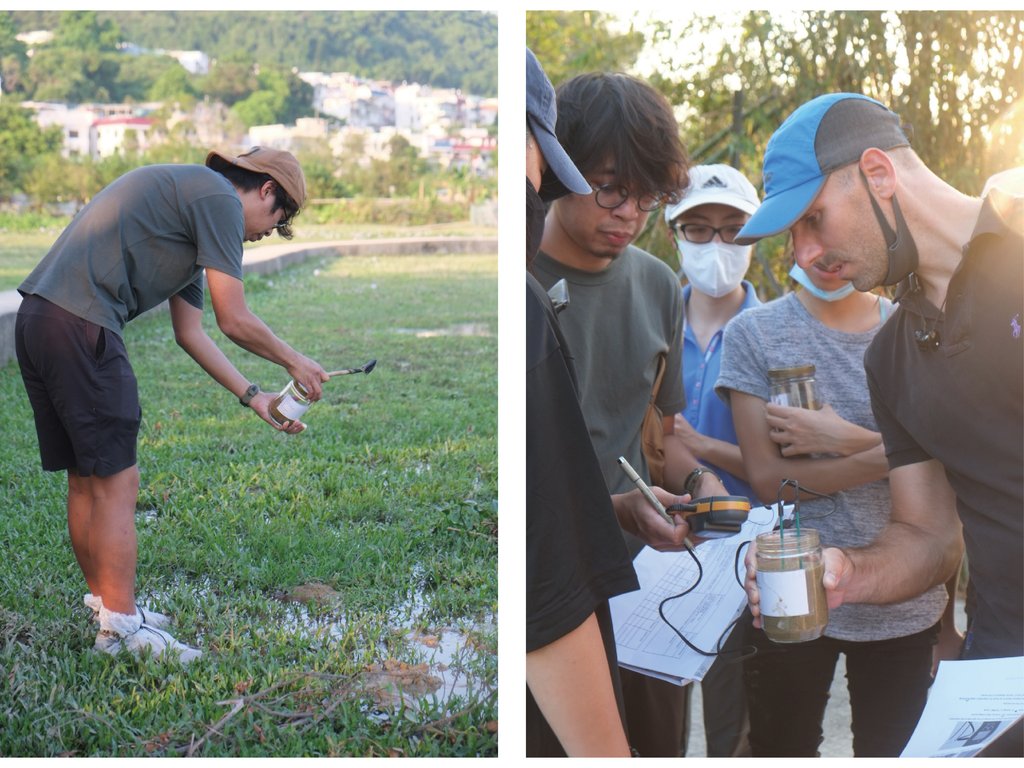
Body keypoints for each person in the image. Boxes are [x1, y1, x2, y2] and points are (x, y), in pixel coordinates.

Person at [733, 92, 1022, 754]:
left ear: (879, 174)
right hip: (1000, 672)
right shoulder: (891, 357)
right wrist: (847, 573)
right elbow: (928, 534)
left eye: (814, 221)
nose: (804, 255)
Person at [15, 146, 328, 663]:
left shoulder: (187, 209)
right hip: (83, 322)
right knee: (118, 480)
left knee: (87, 476)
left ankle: (108, 606)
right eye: (271, 225)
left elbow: (192, 333)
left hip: (41, 319)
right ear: (267, 190)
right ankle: (122, 629)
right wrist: (296, 362)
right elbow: (235, 317)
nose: (257, 237)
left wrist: (254, 397)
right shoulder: (219, 201)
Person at [531, 70, 729, 757]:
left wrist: (705, 492)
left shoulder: (655, 284)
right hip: (553, 585)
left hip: (646, 583)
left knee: (656, 743)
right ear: (556, 167)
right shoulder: (522, 283)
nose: (628, 213)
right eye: (611, 187)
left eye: (646, 196)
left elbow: (667, 433)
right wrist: (611, 507)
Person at [716, 246, 949, 755]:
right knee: (782, 749)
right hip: (785, 591)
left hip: (903, 595)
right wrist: (892, 452)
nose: (825, 249)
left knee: (895, 753)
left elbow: (951, 469)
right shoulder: (754, 333)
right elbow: (769, 478)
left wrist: (844, 438)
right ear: (789, 236)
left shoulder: (916, 331)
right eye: (808, 224)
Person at [663, 163, 762, 757]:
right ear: (673, 232)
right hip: (664, 546)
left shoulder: (776, 331)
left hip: (746, 556)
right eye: (698, 228)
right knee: (656, 723)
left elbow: (786, 462)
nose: (716, 244)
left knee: (735, 728)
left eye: (733, 228)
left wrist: (700, 446)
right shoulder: (651, 320)